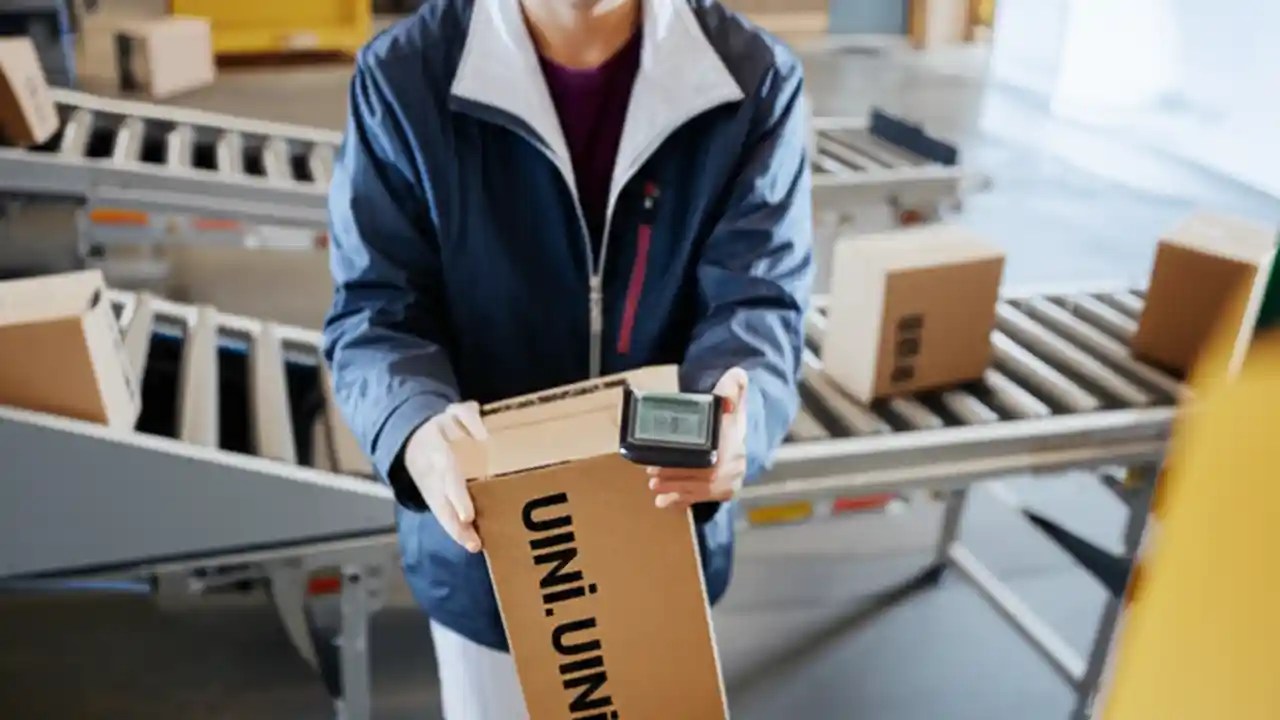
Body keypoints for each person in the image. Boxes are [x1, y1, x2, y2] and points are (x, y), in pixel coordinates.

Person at [323, 0, 812, 716]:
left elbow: (757, 304)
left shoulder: (752, 80)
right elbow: (375, 310)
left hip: (662, 532)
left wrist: (741, 412)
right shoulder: (404, 78)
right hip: (487, 554)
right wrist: (414, 425)